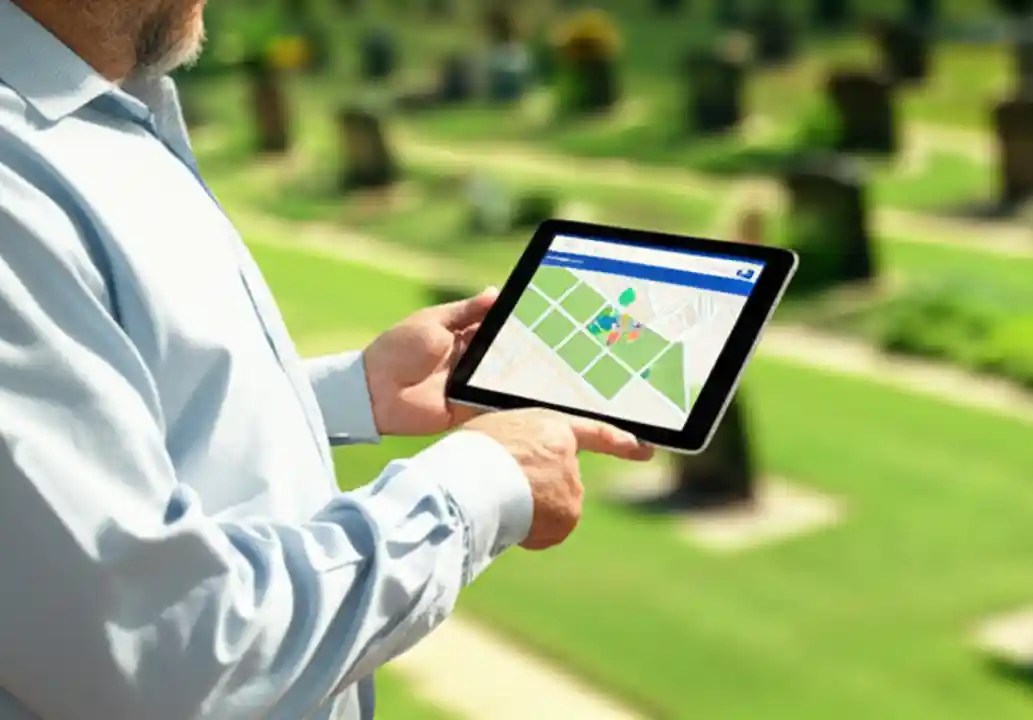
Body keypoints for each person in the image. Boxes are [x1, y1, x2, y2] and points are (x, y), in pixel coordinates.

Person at [0, 1, 654, 718]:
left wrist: (350, 396)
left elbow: (111, 436)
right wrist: (485, 483)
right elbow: (162, 649)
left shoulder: (102, 114)